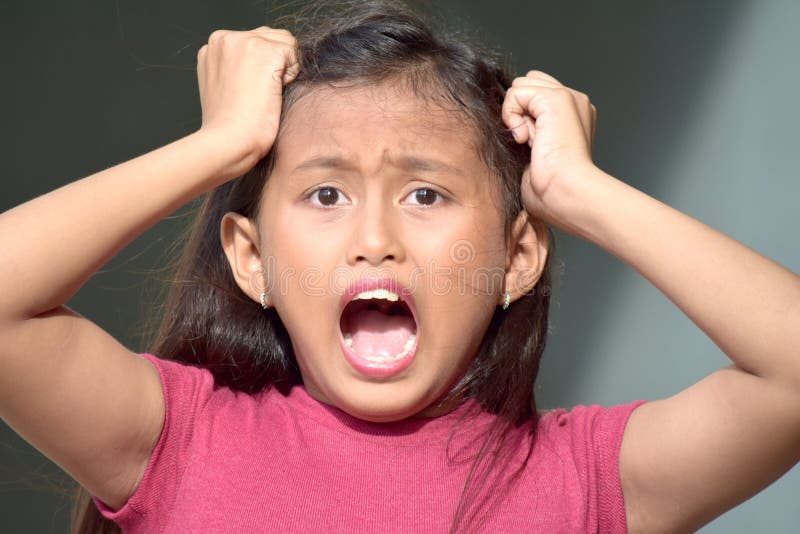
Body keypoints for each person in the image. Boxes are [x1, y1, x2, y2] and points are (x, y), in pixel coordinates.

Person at [0, 1, 798, 532]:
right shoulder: (175, 441)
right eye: (324, 195)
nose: (374, 238)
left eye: (425, 193)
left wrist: (579, 191)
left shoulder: (585, 477)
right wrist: (219, 148)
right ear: (251, 261)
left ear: (516, 259)